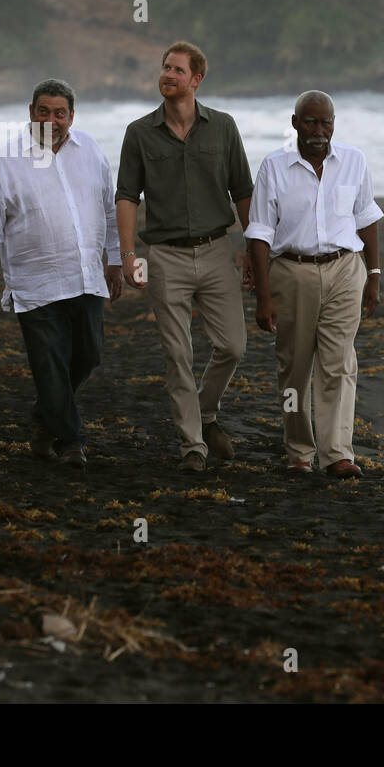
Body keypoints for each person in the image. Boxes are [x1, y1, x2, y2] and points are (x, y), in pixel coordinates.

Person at [0, 78, 123, 470]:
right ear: (30, 112)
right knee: (50, 364)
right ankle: (72, 442)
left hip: (86, 278)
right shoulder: (5, 163)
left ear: (72, 115)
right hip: (34, 285)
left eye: (59, 113)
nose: (51, 120)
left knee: (89, 355)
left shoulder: (90, 152)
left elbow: (109, 210)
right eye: (43, 111)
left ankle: (43, 419)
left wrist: (117, 259)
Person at [115, 41, 253, 473]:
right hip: (165, 257)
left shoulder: (224, 127)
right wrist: (126, 253)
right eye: (164, 67)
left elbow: (243, 191)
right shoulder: (139, 133)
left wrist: (250, 246)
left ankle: (206, 412)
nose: (167, 74)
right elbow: (126, 195)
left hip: (217, 251)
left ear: (196, 79)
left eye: (177, 69)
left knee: (233, 346)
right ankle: (192, 445)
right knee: (177, 355)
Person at [245, 90, 383, 478]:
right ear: (295, 124)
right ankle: (299, 452)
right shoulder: (274, 167)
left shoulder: (354, 161)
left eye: (326, 122)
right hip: (292, 272)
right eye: (310, 122)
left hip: (345, 270)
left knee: (339, 364)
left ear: (334, 125)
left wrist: (373, 275)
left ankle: (338, 453)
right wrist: (263, 297)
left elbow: (367, 218)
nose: (319, 130)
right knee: (294, 367)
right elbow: (259, 234)